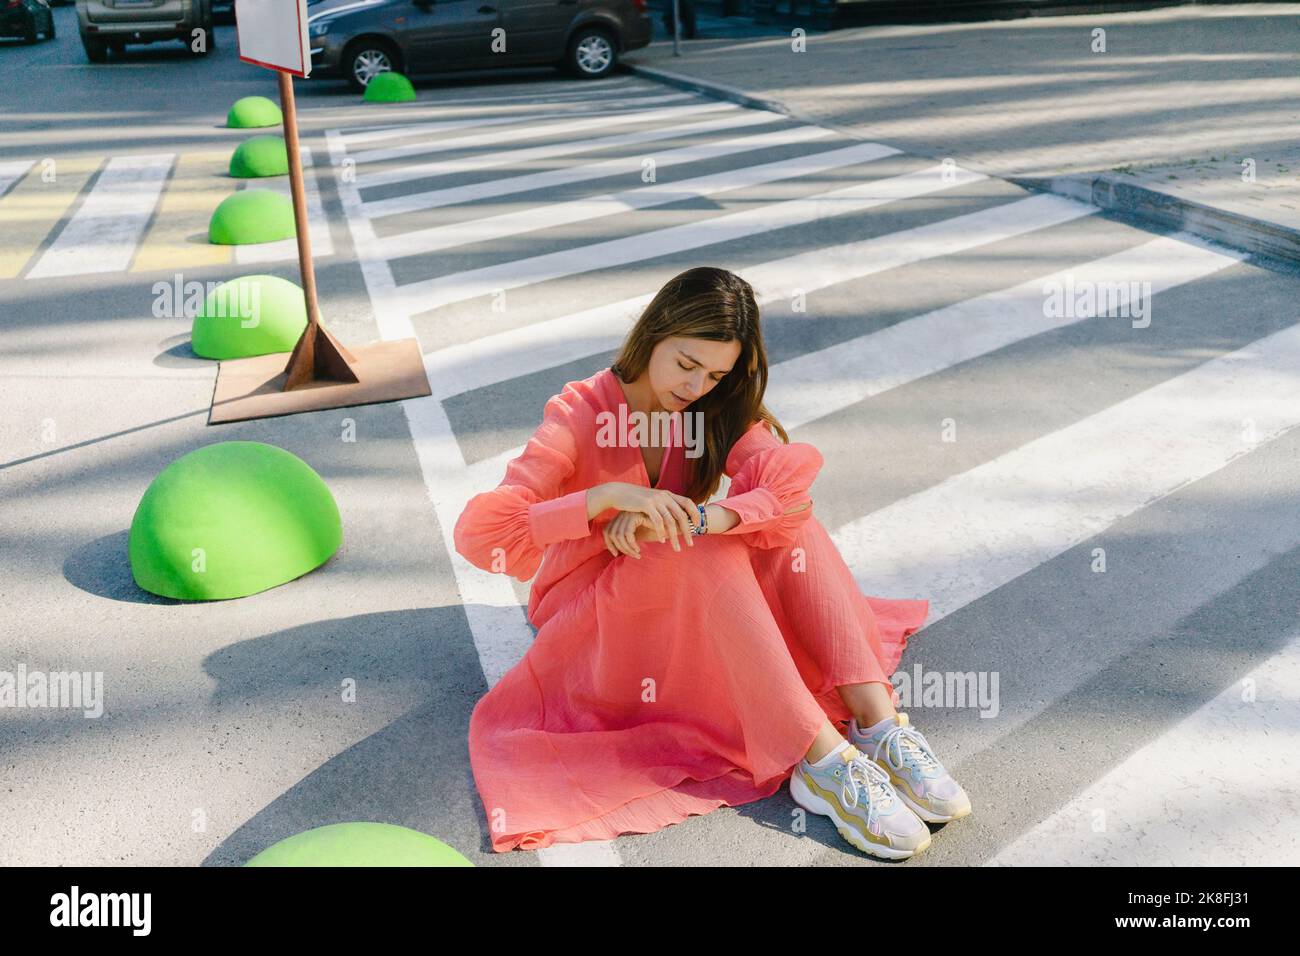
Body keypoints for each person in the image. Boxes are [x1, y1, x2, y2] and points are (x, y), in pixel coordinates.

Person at [453, 266, 972, 859]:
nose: (697, 385)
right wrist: (606, 499)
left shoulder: (711, 409)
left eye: (717, 373)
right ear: (654, 335)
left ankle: (877, 725)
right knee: (694, 554)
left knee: (783, 531)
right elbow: (482, 534)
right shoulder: (579, 414)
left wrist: (699, 517)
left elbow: (787, 491)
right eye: (686, 363)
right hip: (592, 624)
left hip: (674, 597)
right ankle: (822, 762)